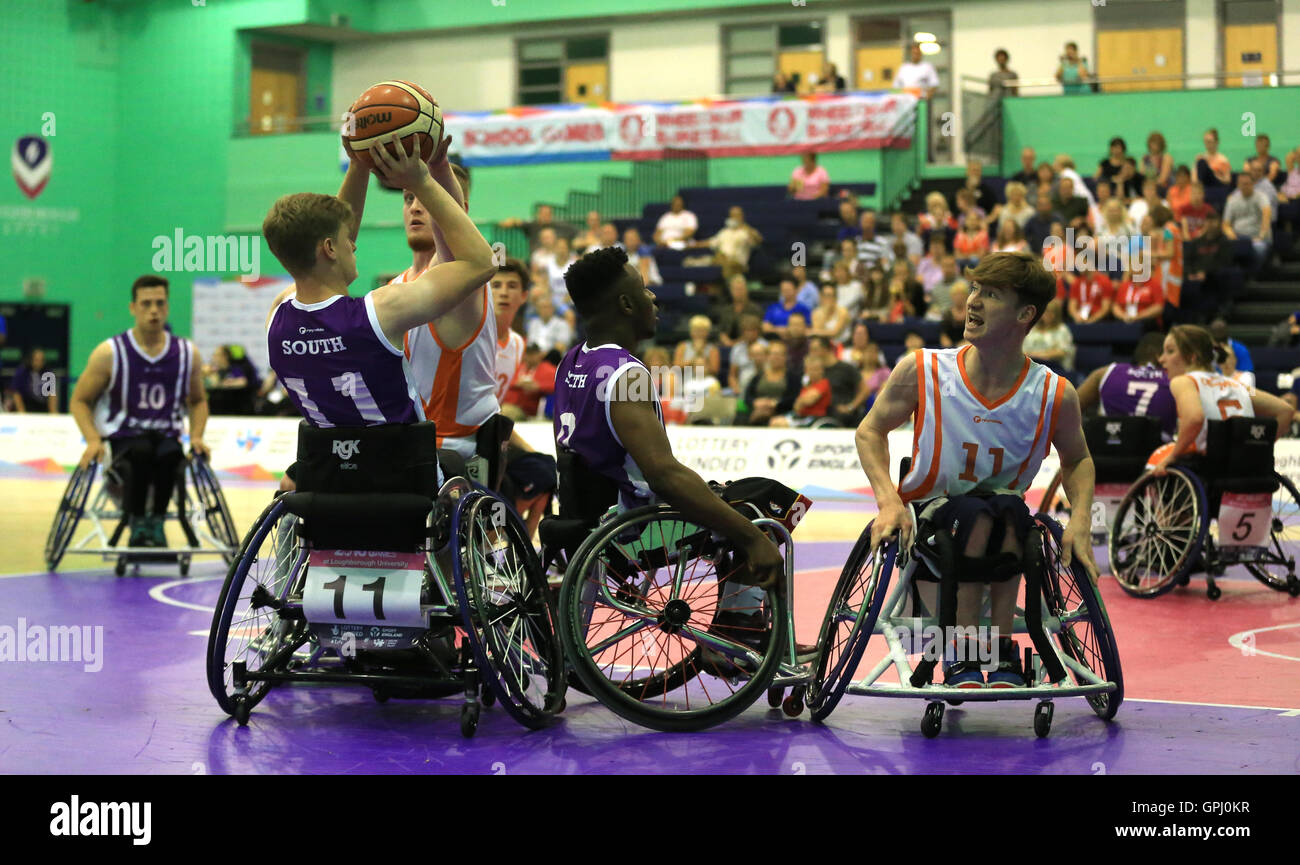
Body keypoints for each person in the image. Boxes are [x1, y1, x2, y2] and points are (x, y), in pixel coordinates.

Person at [855, 250, 1098, 688]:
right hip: (929, 516)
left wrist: (1081, 520)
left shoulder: (1053, 393)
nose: (973, 301)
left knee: (1009, 514)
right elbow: (870, 432)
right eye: (973, 289)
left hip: (1005, 516)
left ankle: (1000, 652)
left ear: (1026, 314)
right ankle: (967, 650)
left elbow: (1078, 459)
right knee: (978, 515)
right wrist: (887, 501)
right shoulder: (923, 369)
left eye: (991, 294)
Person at [552, 246, 787, 658]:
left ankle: (733, 627)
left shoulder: (571, 362)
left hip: (589, 522)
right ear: (625, 304)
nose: (653, 299)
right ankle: (738, 633)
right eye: (644, 290)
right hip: (632, 532)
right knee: (767, 506)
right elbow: (664, 477)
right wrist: (749, 537)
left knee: (736, 493)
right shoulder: (625, 376)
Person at [69, 275, 209, 548]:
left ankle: (155, 523)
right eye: (146, 304)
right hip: (125, 437)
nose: (153, 310)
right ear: (133, 308)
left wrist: (196, 436)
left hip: (166, 435)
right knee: (142, 452)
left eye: (159, 303)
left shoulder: (186, 352)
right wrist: (93, 440)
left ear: (167, 307)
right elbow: (79, 400)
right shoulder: (109, 352)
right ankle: (135, 521)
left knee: (171, 455)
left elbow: (198, 400)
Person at [1146, 325, 1293, 473]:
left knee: (1157, 458)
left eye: (1170, 351)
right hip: (1246, 466)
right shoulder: (1238, 386)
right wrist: (1260, 449)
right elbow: (1285, 410)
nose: (1161, 359)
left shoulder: (1184, 382)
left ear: (1192, 356)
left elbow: (1194, 418)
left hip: (1209, 467)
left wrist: (1173, 455)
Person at [1077, 332, 1177, 440]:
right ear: (1159, 356)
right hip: (1155, 453)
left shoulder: (1107, 372)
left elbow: (1067, 408)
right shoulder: (1174, 379)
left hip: (1108, 449)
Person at [1222, 170, 1273, 274]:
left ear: (1253, 184)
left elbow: (1266, 214)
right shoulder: (1232, 200)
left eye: (1248, 184)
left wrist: (1261, 235)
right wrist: (1232, 236)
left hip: (1257, 237)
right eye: (1243, 184)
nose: (1245, 186)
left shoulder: (1261, 197)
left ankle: (1253, 275)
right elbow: (1225, 225)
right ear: (1238, 185)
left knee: (1259, 249)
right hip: (1238, 237)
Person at [697, 205, 762, 279]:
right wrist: (691, 244)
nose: (734, 218)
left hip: (737, 264)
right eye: (732, 215)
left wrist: (745, 227)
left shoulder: (747, 232)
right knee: (702, 262)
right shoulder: (724, 232)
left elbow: (759, 241)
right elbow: (711, 242)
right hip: (721, 260)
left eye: (737, 215)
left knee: (724, 264)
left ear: (742, 216)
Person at [1022, 298, 1075, 373]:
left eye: (1051, 313)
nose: (1048, 315)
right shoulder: (1033, 328)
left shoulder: (1062, 330)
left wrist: (1040, 355)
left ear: (1057, 314)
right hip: (1032, 365)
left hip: (1054, 368)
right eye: (1046, 312)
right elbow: (1023, 349)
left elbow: (1062, 352)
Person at [500, 203, 577, 250]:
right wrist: (511, 221)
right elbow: (517, 222)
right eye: (542, 214)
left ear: (551, 215)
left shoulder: (559, 226)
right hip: (536, 257)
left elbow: (576, 232)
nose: (545, 216)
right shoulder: (533, 225)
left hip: (553, 257)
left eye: (547, 214)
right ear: (538, 215)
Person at [8, 348, 57, 414]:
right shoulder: (22, 372)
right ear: (31, 360)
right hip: (27, 406)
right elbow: (16, 393)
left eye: (41, 360)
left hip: (42, 407)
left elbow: (52, 395)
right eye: (36, 360)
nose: (39, 363)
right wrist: (21, 412)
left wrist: (53, 412)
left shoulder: (48, 373)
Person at [728, 314, 768, 396]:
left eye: (752, 330)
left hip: (762, 383)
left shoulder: (766, 346)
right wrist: (735, 387)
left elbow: (770, 370)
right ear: (742, 332)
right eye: (746, 330)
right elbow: (732, 375)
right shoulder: (737, 348)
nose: (749, 333)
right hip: (742, 385)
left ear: (758, 331)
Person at [526, 292, 573, 358]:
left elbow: (561, 346)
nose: (545, 310)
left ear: (552, 308)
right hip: (534, 359)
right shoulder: (533, 323)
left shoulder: (562, 324)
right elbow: (530, 344)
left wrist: (542, 355)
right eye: (542, 307)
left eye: (547, 307)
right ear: (537, 309)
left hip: (552, 359)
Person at [1066, 260, 1114, 325]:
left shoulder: (1104, 281)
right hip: (1080, 320)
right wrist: (1076, 316)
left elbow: (1105, 308)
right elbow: (1071, 306)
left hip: (1099, 322)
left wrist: (1091, 320)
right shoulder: (1077, 282)